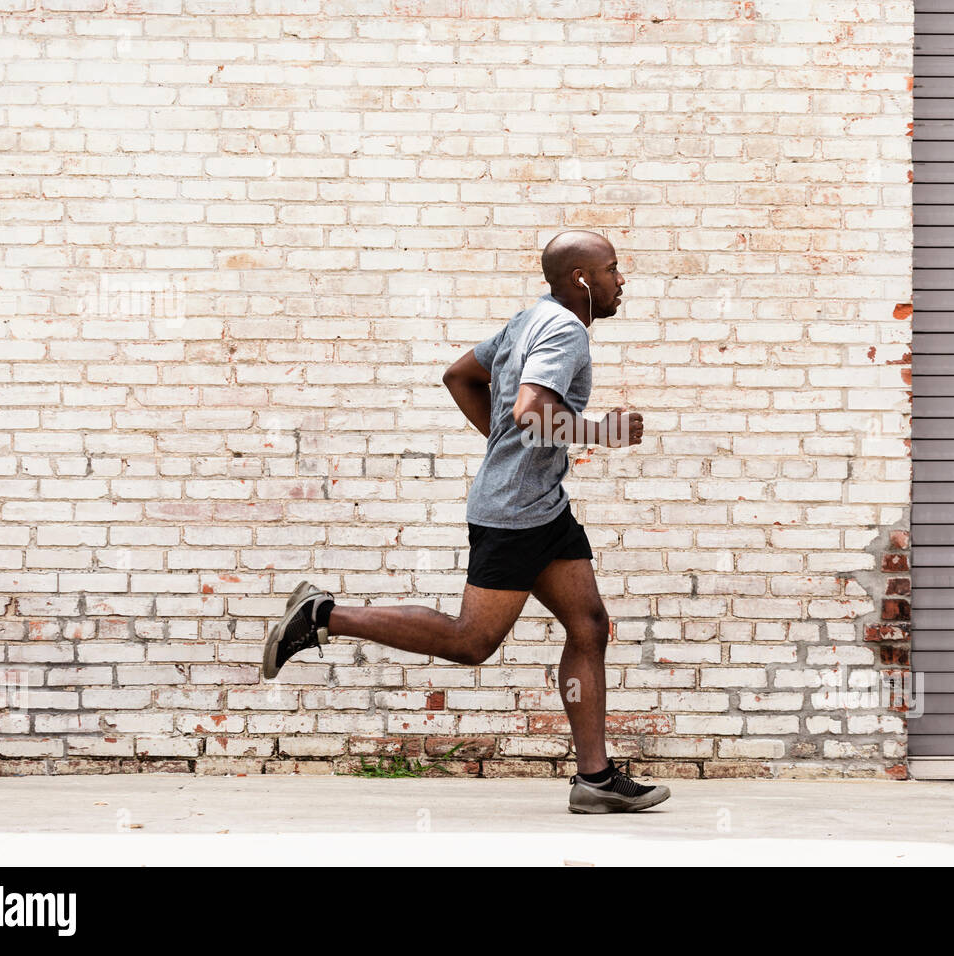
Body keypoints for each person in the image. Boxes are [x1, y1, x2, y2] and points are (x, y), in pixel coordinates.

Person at [261, 230, 670, 813]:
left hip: (541, 505)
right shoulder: (563, 332)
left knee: (588, 624)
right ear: (582, 279)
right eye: (611, 268)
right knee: (471, 642)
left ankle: (595, 779)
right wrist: (602, 433)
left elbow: (460, 376)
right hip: (515, 516)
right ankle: (324, 616)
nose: (620, 279)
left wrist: (506, 454)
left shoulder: (529, 318)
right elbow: (531, 415)